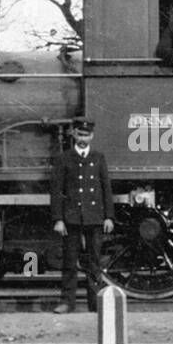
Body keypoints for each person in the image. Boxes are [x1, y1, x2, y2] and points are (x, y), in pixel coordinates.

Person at [50, 118, 115, 313]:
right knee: (70, 262)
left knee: (95, 262)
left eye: (86, 135)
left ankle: (95, 303)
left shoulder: (98, 157)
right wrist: (58, 219)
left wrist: (109, 217)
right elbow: (56, 191)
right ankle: (67, 302)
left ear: (92, 136)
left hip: (94, 217)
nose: (83, 139)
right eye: (80, 134)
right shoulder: (64, 158)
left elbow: (106, 188)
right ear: (74, 135)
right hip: (71, 218)